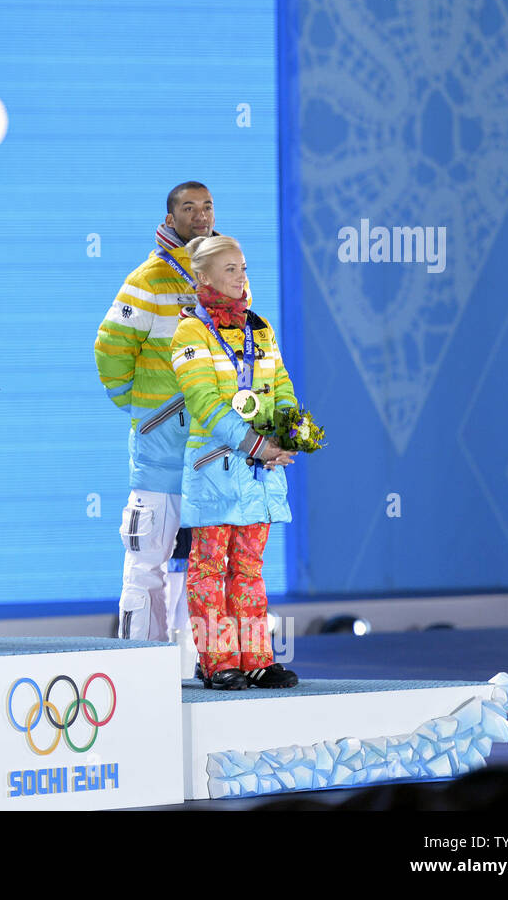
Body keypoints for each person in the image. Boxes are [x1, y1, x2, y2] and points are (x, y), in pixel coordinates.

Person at [170, 234, 299, 690]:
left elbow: (280, 383)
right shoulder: (190, 331)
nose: (241, 276)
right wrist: (255, 445)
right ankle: (217, 660)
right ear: (203, 277)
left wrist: (287, 434)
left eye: (243, 267)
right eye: (230, 269)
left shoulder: (258, 326)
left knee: (248, 568)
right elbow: (204, 400)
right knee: (209, 569)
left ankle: (256, 658)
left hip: (259, 473)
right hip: (217, 471)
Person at [94, 181, 215, 660]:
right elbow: (109, 349)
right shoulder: (149, 279)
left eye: (207, 207)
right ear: (170, 218)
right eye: (189, 208)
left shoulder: (223, 275)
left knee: (205, 562)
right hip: (161, 452)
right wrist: (146, 412)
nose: (200, 216)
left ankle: (196, 664)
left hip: (211, 451)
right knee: (147, 561)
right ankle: (140, 667)